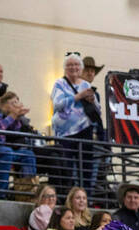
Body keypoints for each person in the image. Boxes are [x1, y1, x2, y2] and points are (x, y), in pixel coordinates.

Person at [50, 54, 102, 193]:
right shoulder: (59, 83)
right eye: (70, 65)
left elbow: (98, 110)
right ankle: (67, 195)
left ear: (81, 68)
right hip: (65, 133)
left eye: (76, 65)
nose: (73, 67)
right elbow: (57, 104)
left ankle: (86, 196)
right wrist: (78, 96)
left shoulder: (86, 85)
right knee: (66, 166)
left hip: (85, 129)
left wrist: (91, 100)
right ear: (65, 68)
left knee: (86, 167)